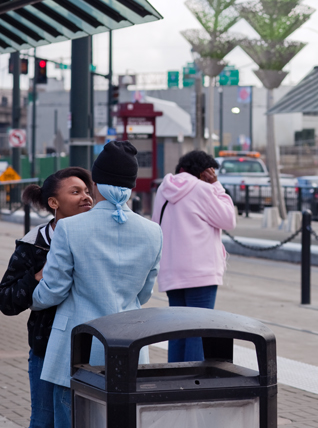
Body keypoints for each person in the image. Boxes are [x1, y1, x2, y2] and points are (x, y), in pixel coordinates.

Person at [31, 141, 162, 428]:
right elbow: (144, 293)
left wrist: (33, 296)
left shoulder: (69, 227)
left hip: (75, 349)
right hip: (129, 348)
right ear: (130, 185)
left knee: (72, 419)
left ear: (96, 183)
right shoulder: (153, 232)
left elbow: (53, 290)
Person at [0, 168, 93, 428]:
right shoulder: (33, 244)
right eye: (75, 192)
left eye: (86, 191)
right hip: (46, 349)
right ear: (53, 202)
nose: (86, 197)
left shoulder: (99, 237)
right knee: (43, 421)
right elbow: (5, 299)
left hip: (93, 351)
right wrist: (36, 276)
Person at [153, 150, 236, 362]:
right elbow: (228, 220)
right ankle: (190, 387)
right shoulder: (202, 189)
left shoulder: (164, 188)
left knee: (178, 331)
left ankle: (174, 384)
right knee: (198, 331)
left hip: (171, 270)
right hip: (200, 272)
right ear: (205, 172)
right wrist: (217, 186)